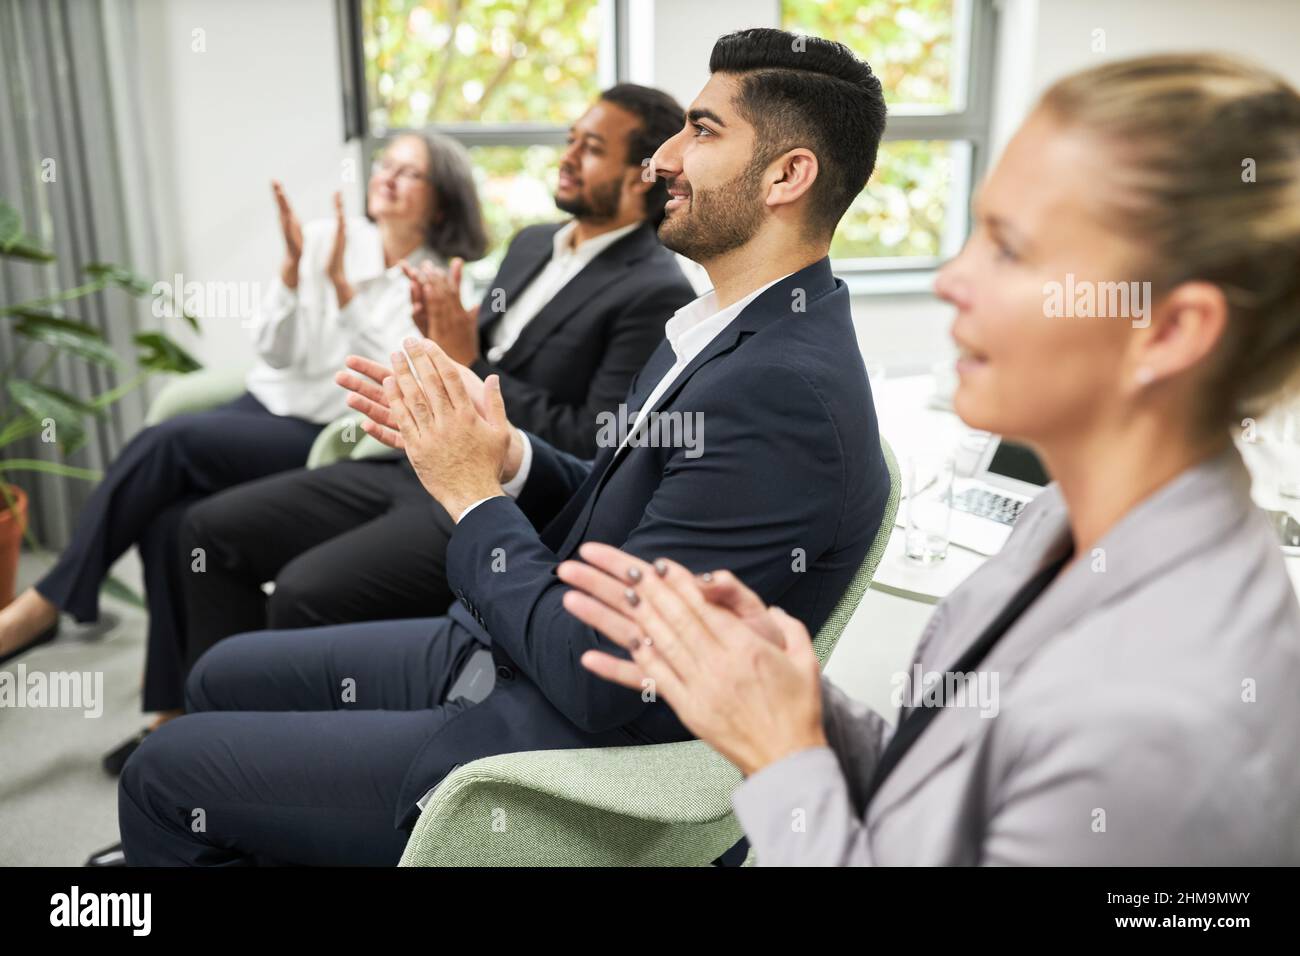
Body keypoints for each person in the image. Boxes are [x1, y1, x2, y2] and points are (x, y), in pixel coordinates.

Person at [113, 27, 892, 866]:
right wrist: (509, 454)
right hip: (508, 648)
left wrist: (471, 495)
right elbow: (618, 495)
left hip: (555, 743)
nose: (663, 158)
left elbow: (604, 680)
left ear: (787, 174)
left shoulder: (785, 396)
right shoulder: (715, 328)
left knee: (162, 775)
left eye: (701, 131)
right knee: (218, 675)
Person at [560, 54, 1300, 866]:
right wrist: (803, 707)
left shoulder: (1164, 715)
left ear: (1170, 330)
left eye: (1012, 251)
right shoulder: (1065, 520)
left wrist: (783, 758)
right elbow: (955, 798)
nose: (952, 280)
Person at [171, 85, 696, 680]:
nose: (568, 155)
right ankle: (204, 712)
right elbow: (468, 351)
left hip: (484, 499)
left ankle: (262, 748)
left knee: (301, 592)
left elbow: (592, 444)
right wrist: (437, 340)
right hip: (411, 463)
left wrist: (470, 364)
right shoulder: (531, 245)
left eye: (592, 148)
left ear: (641, 177)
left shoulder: (655, 290)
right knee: (208, 530)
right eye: (571, 138)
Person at [0, 132, 487, 751]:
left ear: (440, 204)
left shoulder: (441, 287)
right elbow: (274, 351)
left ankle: (46, 603)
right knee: (169, 520)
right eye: (385, 165)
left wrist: (341, 292)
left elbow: (398, 382)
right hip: (263, 409)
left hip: (327, 436)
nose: (387, 178)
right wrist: (292, 275)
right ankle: (178, 714)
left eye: (409, 174)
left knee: (167, 444)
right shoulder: (323, 238)